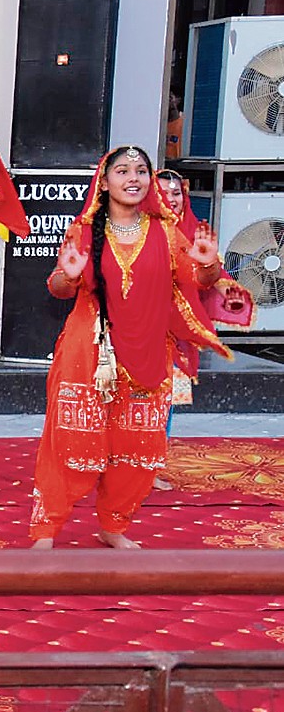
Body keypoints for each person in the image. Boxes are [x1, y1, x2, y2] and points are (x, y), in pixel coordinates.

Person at [30, 146, 229, 548]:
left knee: (136, 447)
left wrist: (207, 264)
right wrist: (68, 276)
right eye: (122, 171)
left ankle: (113, 526)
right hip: (89, 354)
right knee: (71, 440)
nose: (133, 178)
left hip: (148, 355)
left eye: (141, 170)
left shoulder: (166, 231)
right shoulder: (83, 231)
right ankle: (47, 530)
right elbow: (57, 287)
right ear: (104, 183)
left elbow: (199, 281)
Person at [150, 169, 254, 489]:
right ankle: (122, 462)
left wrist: (225, 289)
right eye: (164, 192)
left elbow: (211, 276)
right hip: (141, 326)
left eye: (177, 192)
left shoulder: (194, 231)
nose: (172, 198)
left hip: (179, 331)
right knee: (136, 398)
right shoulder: (140, 230)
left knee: (165, 401)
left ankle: (151, 466)